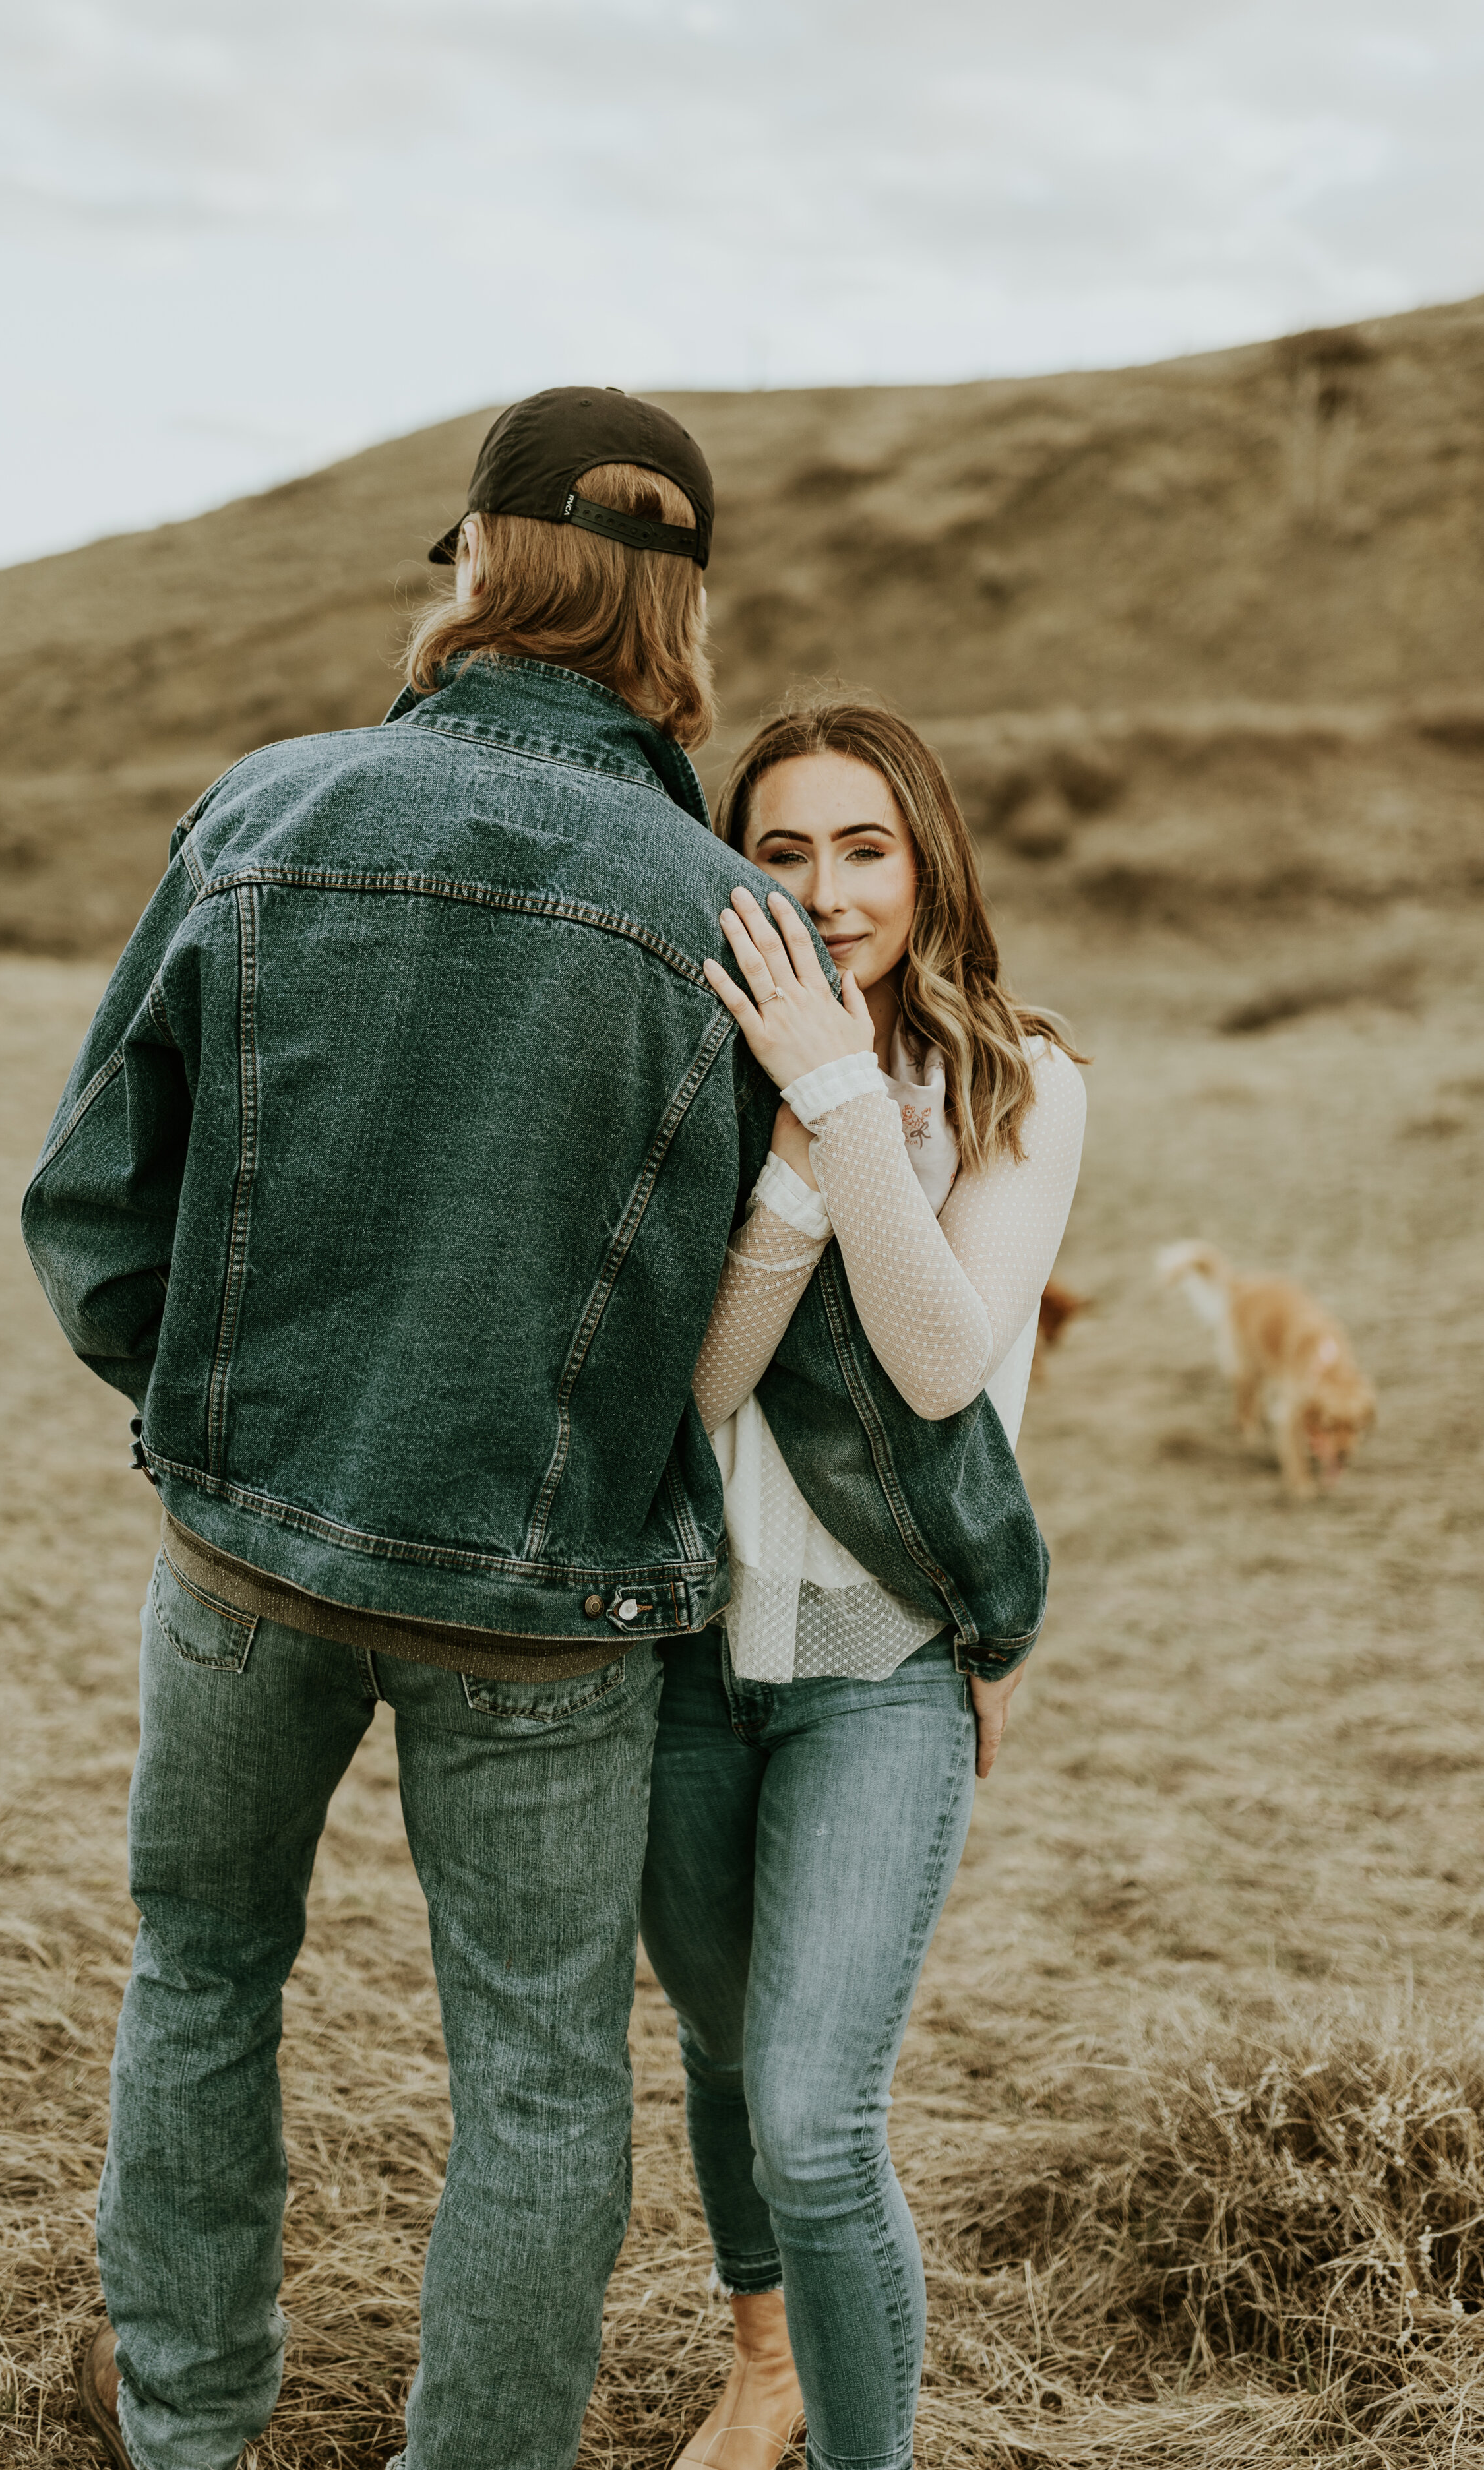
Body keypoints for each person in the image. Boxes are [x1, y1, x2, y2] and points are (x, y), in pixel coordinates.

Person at [22, 388, 799, 2470]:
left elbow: (91, 1203)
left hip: (243, 1557)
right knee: (540, 2077)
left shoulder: (262, 814)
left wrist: (225, 1423)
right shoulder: (737, 921)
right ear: (678, 615)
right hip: (556, 1613)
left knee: (201, 1970)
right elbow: (765, 1308)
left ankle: (188, 2431)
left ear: (477, 568)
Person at [639, 701, 1087, 2470]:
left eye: (863, 846)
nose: (824, 892)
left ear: (925, 858)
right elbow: (689, 1395)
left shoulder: (1019, 1079)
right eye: (778, 848)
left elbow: (939, 1371)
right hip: (674, 1640)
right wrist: (783, 1178)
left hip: (882, 1656)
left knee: (817, 2123)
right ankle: (765, 2362)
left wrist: (836, 1103)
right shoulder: (681, 1046)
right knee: (726, 2051)